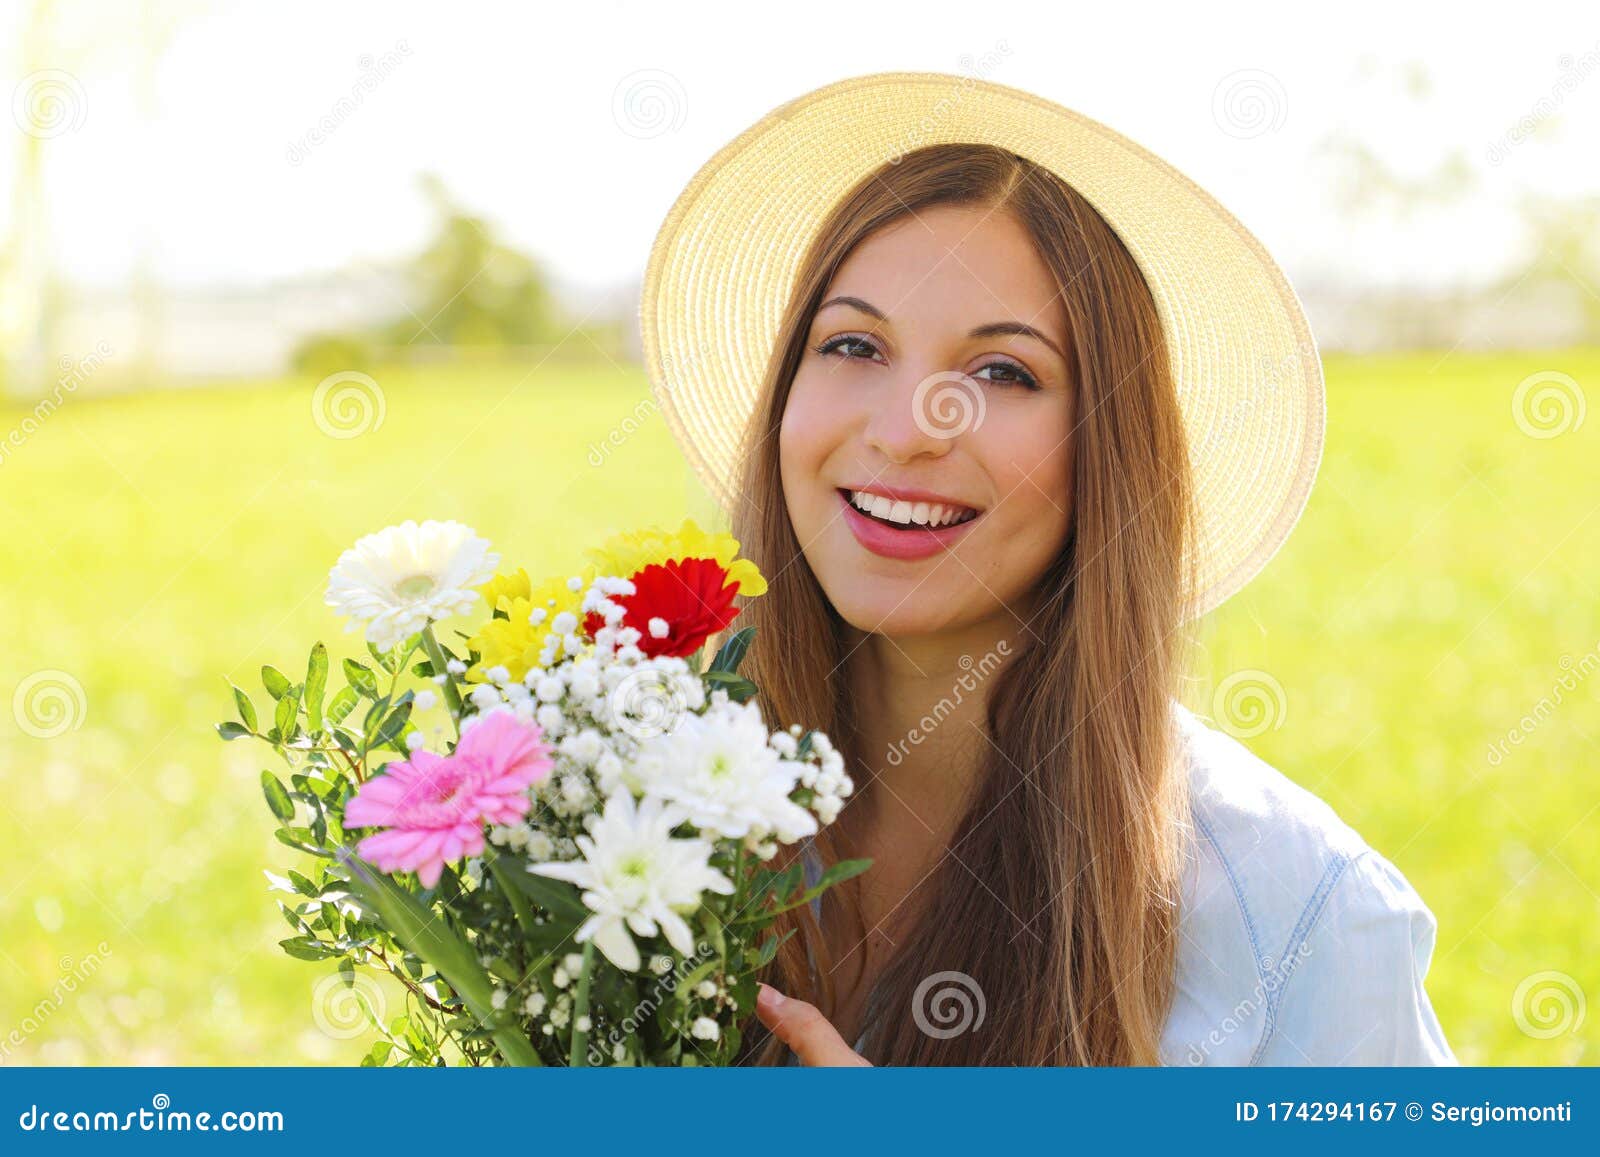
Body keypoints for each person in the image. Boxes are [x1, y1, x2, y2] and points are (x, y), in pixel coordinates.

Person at [638, 72, 1455, 1066]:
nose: (905, 431)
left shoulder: (1301, 917)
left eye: (1001, 372)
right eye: (853, 344)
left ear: (1107, 446)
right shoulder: (624, 795)